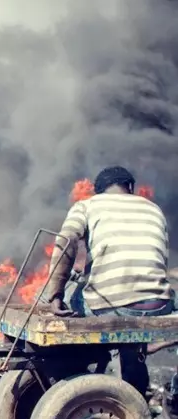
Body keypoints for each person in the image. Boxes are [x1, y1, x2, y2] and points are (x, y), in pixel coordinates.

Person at [40, 165, 176, 397]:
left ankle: (81, 372)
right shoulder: (154, 209)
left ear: (98, 191)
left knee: (64, 297)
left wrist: (55, 295)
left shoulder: (87, 205)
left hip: (112, 307)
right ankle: (135, 391)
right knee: (131, 340)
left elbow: (66, 242)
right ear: (130, 188)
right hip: (158, 305)